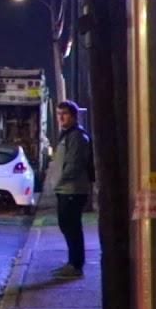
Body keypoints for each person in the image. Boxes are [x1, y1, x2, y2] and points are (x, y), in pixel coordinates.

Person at [50, 100, 94, 279]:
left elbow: (73, 164)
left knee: (71, 227)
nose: (61, 117)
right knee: (67, 226)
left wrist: (58, 181)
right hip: (65, 189)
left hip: (72, 189)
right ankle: (72, 262)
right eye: (59, 113)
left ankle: (76, 265)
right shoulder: (66, 135)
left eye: (65, 114)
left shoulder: (76, 136)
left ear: (74, 116)